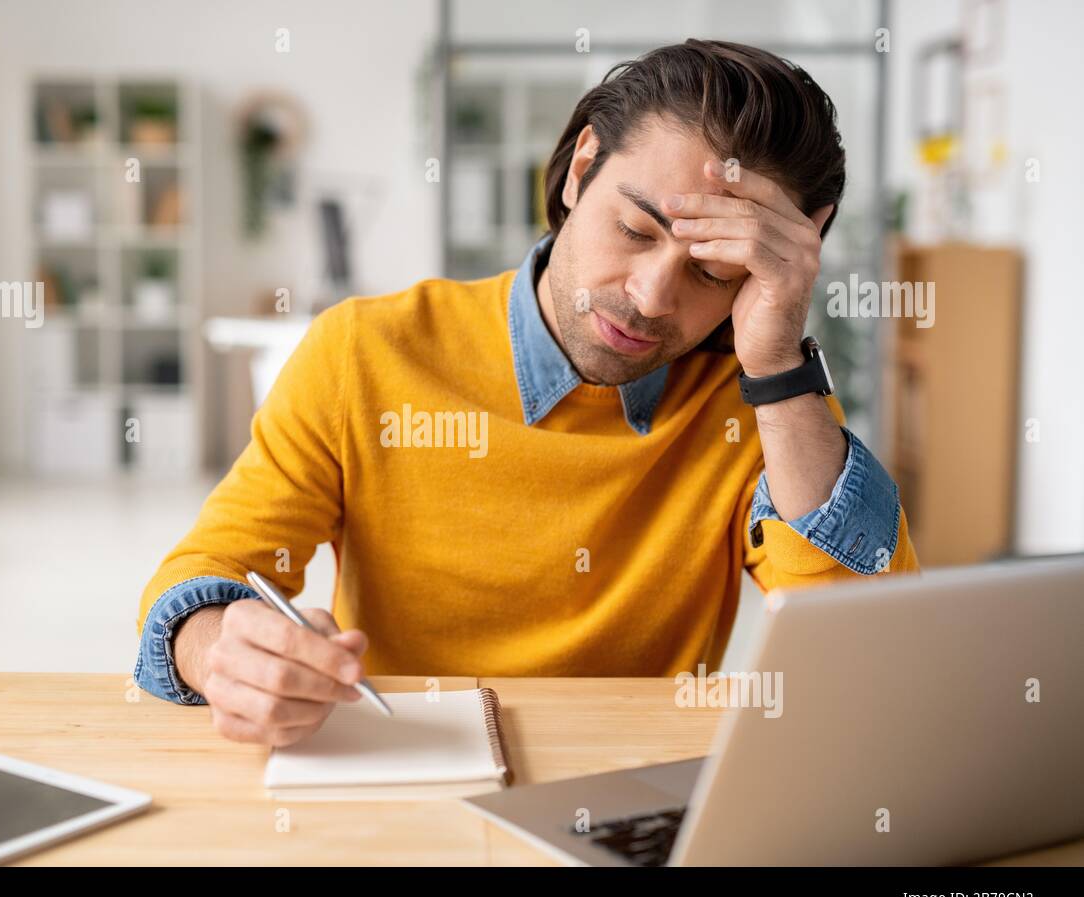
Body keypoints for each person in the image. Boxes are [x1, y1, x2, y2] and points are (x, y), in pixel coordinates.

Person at [135, 39, 919, 745]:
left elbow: (873, 657)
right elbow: (203, 573)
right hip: (405, 780)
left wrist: (779, 371)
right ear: (582, 170)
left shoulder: (762, 399)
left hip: (633, 803)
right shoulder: (365, 353)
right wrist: (218, 649)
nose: (651, 297)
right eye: (638, 231)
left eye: (715, 270)